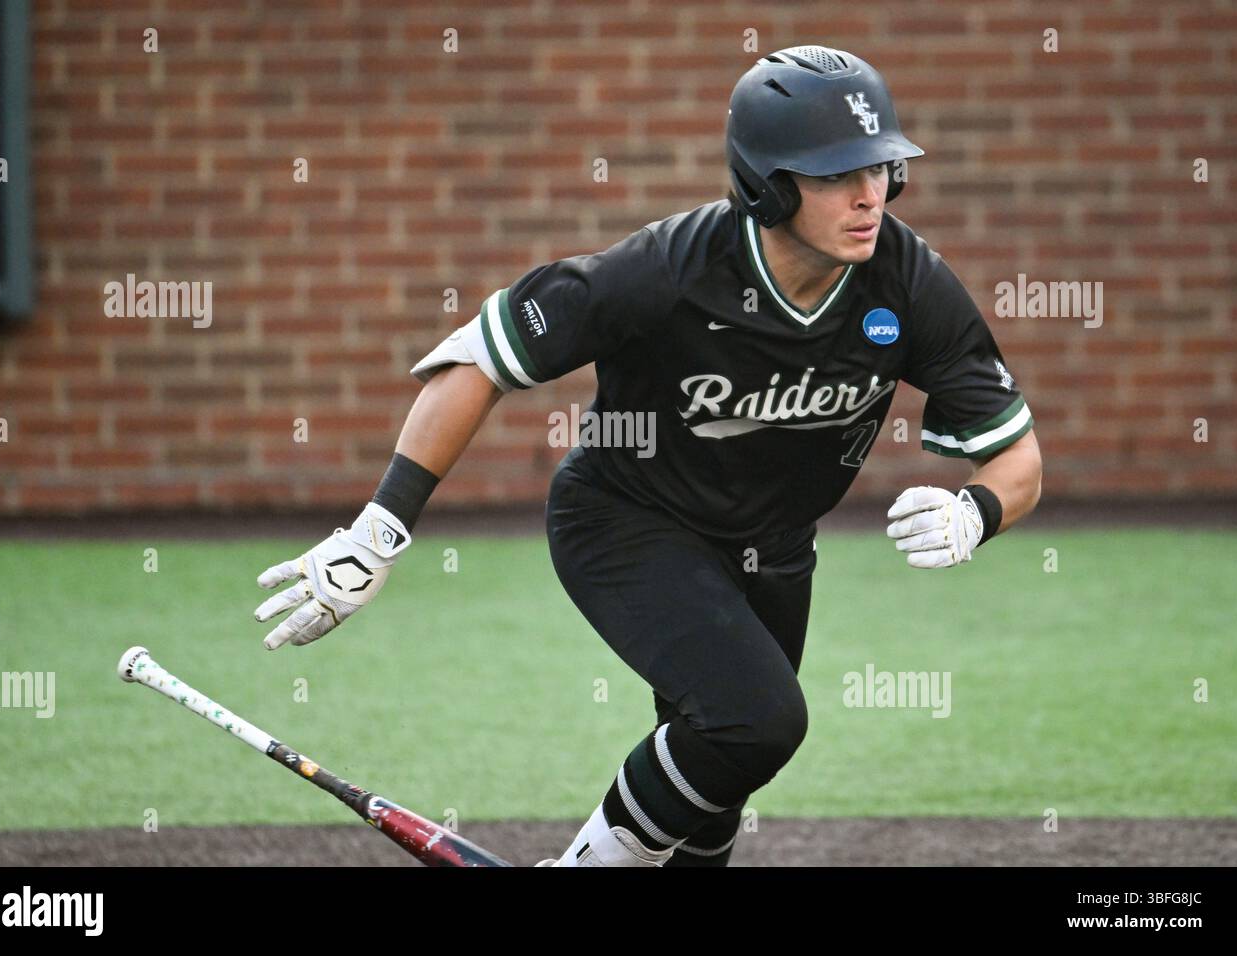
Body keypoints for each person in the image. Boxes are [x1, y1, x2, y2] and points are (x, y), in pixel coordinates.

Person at [252, 45, 1042, 867]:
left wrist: (975, 513)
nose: (869, 193)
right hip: (625, 521)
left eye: (880, 167)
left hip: (772, 552)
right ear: (767, 185)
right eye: (835, 173)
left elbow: (1018, 460)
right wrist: (380, 529)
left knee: (717, 777)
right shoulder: (668, 269)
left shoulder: (910, 284)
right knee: (758, 720)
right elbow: (477, 361)